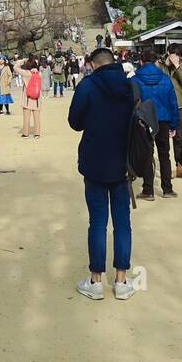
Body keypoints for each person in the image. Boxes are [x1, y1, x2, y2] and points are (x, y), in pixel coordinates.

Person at [68, 47, 138, 300]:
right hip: (123, 162)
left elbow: (74, 122)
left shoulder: (88, 86)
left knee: (97, 221)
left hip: (95, 160)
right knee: (122, 223)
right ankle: (121, 280)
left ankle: (96, 280)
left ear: (93, 64)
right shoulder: (130, 86)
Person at [133, 51, 179, 198]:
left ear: (141, 61)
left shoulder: (135, 80)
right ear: (156, 62)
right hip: (163, 120)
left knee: (147, 154)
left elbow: (132, 102)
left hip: (145, 121)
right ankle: (167, 189)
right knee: (164, 154)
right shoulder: (165, 79)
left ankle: (148, 190)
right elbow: (173, 103)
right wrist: (174, 124)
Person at [163, 45, 182, 178]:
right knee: (162, 138)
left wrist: (177, 67)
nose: (176, 57)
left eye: (178, 55)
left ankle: (180, 166)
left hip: (178, 106)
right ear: (168, 53)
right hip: (164, 106)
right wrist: (167, 65)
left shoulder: (181, 66)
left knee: (178, 137)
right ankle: (166, 170)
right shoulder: (160, 65)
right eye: (173, 54)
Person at [19, 57, 42, 138]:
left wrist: (23, 60)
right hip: (37, 100)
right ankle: (37, 134)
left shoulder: (26, 73)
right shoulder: (39, 74)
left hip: (27, 99)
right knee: (37, 118)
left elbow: (15, 67)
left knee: (26, 118)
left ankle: (25, 133)